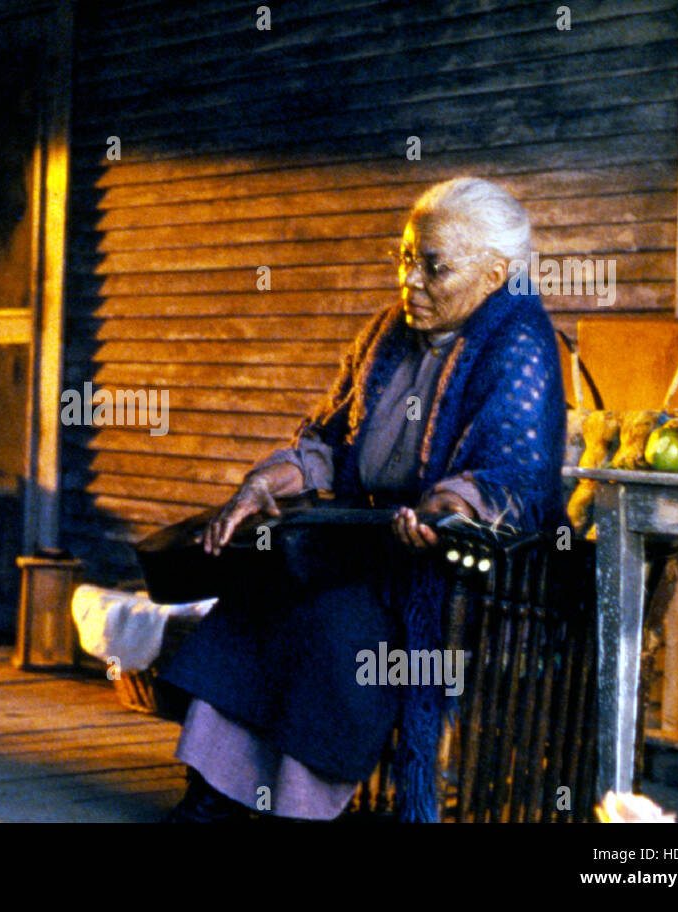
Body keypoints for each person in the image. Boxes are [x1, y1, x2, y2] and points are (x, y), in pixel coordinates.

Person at [159, 177, 567, 823]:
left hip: (439, 571)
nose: (412, 280)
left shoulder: (520, 343)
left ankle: (289, 810)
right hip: (356, 539)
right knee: (259, 595)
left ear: (496, 274)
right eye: (406, 258)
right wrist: (264, 483)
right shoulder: (386, 332)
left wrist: (446, 512)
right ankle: (212, 793)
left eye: (434, 267)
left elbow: (514, 476)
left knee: (332, 623)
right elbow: (327, 437)